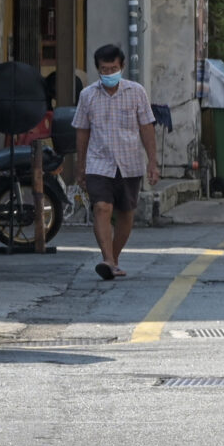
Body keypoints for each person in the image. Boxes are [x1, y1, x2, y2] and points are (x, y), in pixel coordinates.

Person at [71, 44, 158, 280]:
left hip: (129, 162)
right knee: (102, 207)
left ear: (122, 67)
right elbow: (82, 132)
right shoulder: (87, 95)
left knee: (126, 213)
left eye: (114, 68)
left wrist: (153, 162)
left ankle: (114, 258)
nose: (109, 73)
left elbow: (146, 127)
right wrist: (80, 167)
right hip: (98, 162)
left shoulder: (136, 92)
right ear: (97, 69)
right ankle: (107, 259)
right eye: (104, 69)